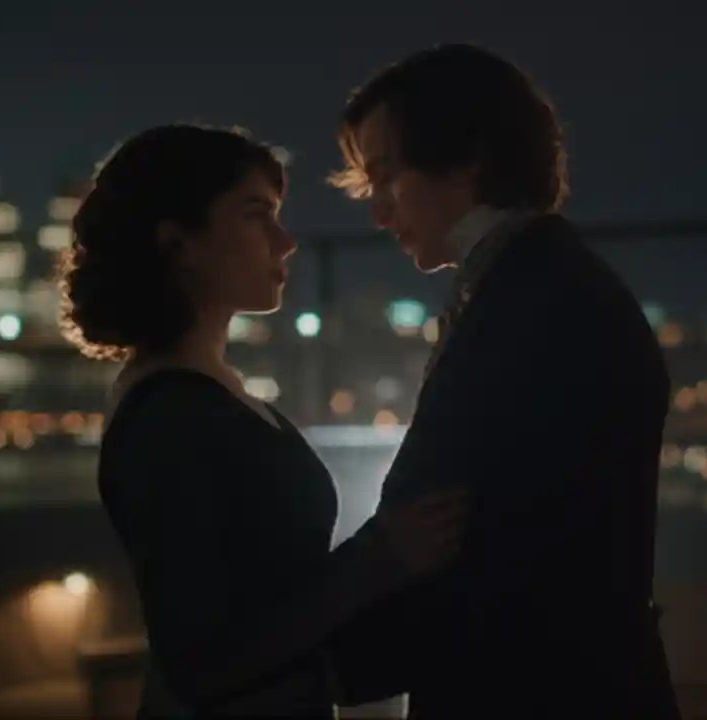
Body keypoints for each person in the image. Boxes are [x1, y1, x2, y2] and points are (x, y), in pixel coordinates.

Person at [57, 124, 468, 718]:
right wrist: (379, 556)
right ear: (180, 243)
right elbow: (204, 662)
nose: (286, 241)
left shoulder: (209, 395)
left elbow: (280, 613)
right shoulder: (170, 416)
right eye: (257, 216)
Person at [326, 44, 682, 717]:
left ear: (466, 157)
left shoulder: (536, 302)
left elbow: (486, 547)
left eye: (385, 175)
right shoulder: (543, 284)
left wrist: (295, 667)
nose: (375, 210)